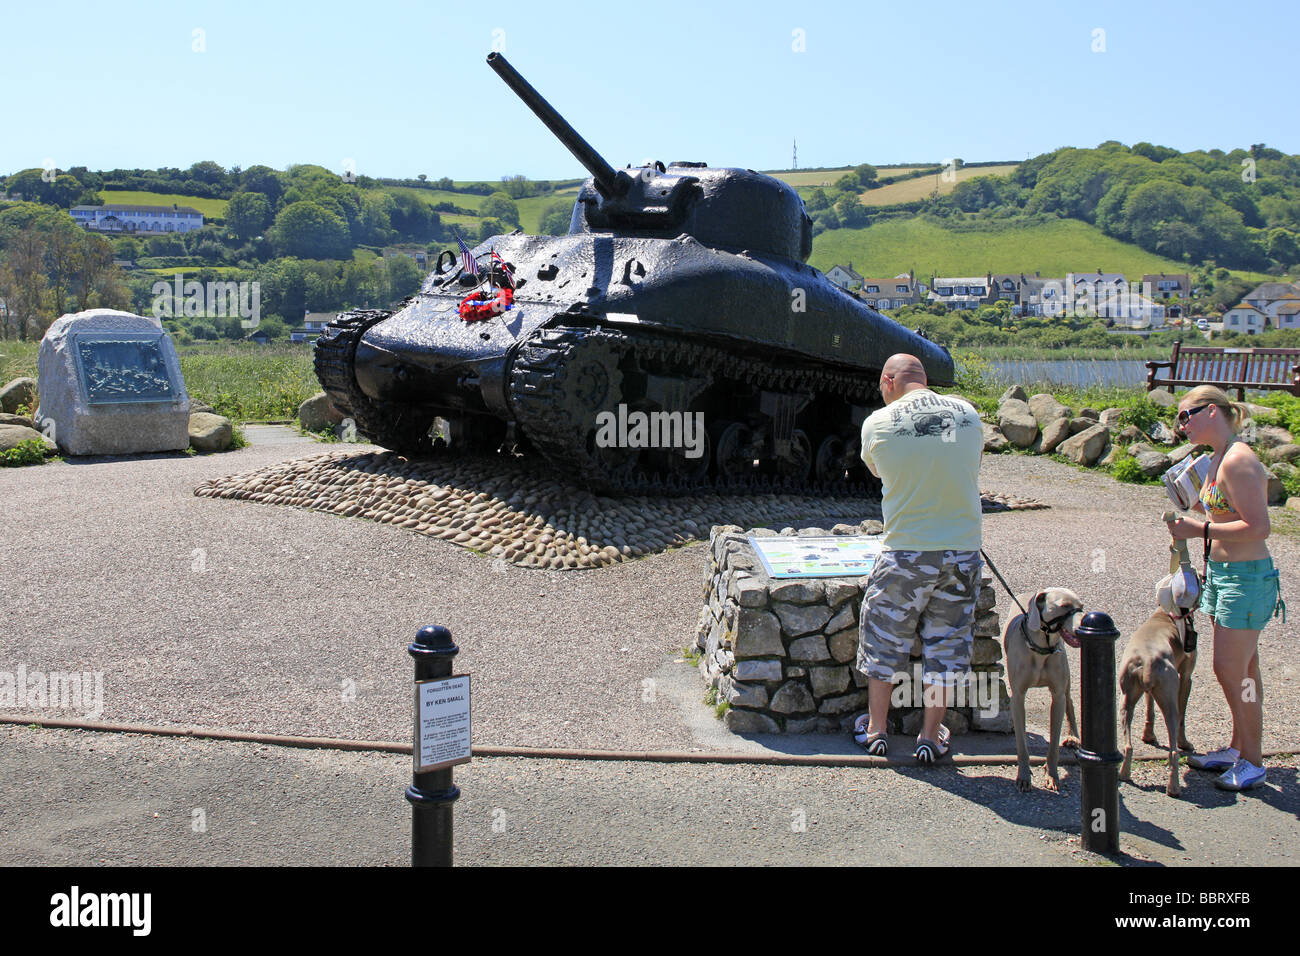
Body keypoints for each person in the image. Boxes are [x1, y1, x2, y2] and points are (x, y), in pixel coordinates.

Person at [852, 353, 984, 762]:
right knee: (946, 645)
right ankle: (930, 735)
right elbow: (970, 468)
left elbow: (876, 471)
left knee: (884, 639)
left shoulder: (877, 422)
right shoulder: (968, 414)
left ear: (888, 380)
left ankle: (876, 730)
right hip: (962, 550)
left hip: (906, 549)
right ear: (925, 379)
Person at [1166, 385, 1283, 791]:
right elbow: (1225, 511)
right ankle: (1238, 748)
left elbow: (1260, 526)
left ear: (1212, 411)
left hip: (1247, 578)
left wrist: (1199, 527)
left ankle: (1253, 760)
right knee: (1244, 669)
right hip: (1225, 575)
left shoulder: (1238, 460)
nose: (1180, 426)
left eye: (1185, 416)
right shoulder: (1216, 458)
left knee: (1231, 670)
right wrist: (1193, 505)